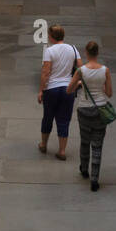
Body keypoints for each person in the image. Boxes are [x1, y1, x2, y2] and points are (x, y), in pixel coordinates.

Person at [67, 41, 112, 191]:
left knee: (85, 141)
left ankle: (84, 169)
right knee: (97, 145)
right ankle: (94, 179)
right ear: (97, 53)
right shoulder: (105, 70)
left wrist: (80, 83)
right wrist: (101, 86)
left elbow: (69, 90)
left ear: (86, 53)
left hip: (84, 109)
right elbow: (109, 93)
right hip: (100, 109)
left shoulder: (81, 71)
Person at [38, 24, 81, 159]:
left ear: (51, 36)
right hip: (68, 88)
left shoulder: (49, 51)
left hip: (51, 89)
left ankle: (44, 144)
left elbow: (46, 72)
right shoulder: (73, 49)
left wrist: (41, 90)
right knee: (64, 119)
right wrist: (76, 82)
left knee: (48, 117)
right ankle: (62, 151)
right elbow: (80, 68)